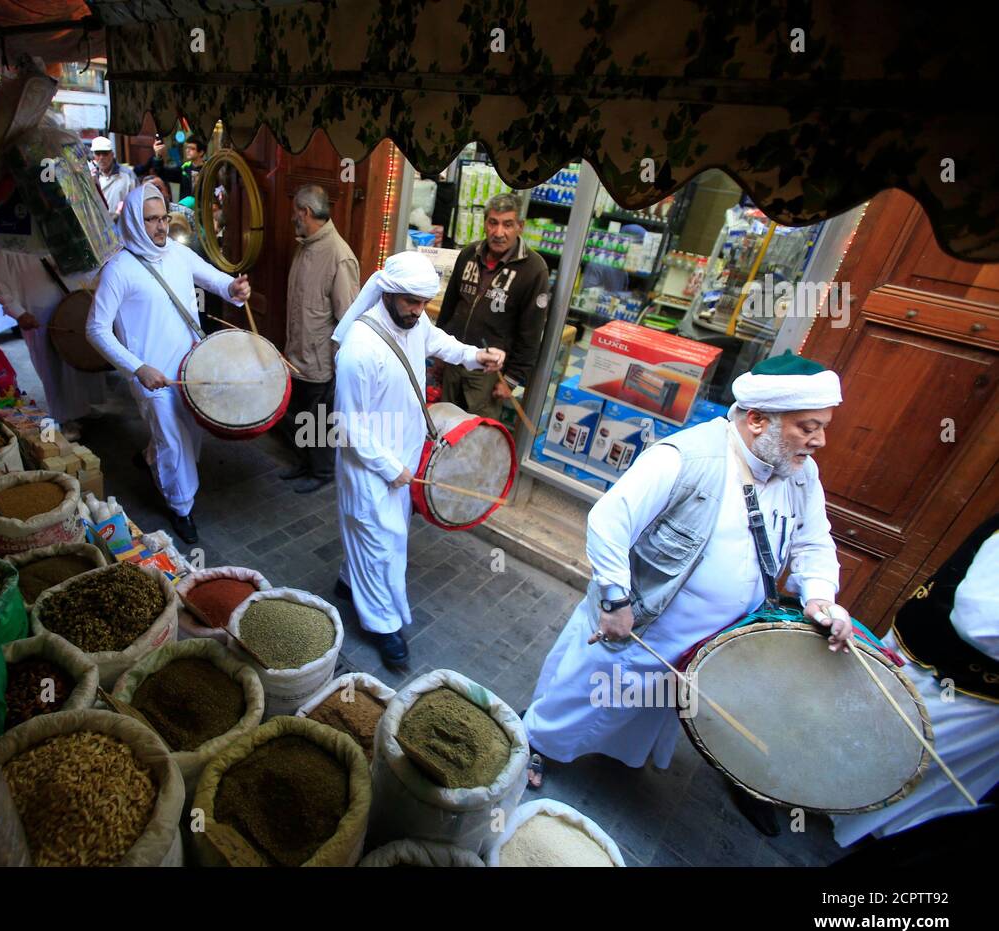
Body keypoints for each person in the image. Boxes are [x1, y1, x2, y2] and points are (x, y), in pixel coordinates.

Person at [522, 351, 852, 835]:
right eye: (808, 427)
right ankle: (535, 745)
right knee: (588, 695)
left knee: (647, 707)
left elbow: (812, 540)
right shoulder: (685, 457)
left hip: (707, 642)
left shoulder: (802, 473)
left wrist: (820, 595)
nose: (820, 440)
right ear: (759, 419)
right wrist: (615, 601)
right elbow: (609, 521)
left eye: (823, 426)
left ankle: (610, 751)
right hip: (645, 625)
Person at [330, 251, 505, 667]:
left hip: (402, 458)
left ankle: (346, 580)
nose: (417, 311)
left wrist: (474, 356)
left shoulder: (414, 320)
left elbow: (438, 342)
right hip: (371, 465)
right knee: (381, 543)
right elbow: (347, 425)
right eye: (410, 301)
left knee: (380, 535)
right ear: (389, 292)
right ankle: (383, 625)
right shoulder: (359, 349)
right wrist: (392, 469)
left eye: (423, 303)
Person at [86, 182, 250, 545]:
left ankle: (151, 457)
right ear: (131, 221)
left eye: (163, 218)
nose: (160, 226)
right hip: (152, 376)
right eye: (150, 220)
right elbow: (96, 329)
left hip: (191, 369)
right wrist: (136, 368)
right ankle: (181, 507)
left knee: (191, 433)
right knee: (175, 443)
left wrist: (234, 290)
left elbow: (216, 280)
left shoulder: (177, 253)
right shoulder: (119, 269)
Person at [831, 515, 999, 852]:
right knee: (868, 744)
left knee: (900, 771)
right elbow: (983, 622)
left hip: (971, 691)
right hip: (948, 675)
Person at [435, 193, 549, 420]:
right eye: (493, 222)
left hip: (488, 374)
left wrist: (512, 380)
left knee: (477, 436)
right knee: (443, 425)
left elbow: (531, 334)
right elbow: (449, 305)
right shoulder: (469, 253)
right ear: (485, 223)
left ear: (520, 227)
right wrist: (438, 349)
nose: (499, 233)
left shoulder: (534, 269)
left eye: (508, 224)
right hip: (454, 359)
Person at [277, 184, 360, 493]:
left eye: (296, 212)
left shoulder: (339, 256)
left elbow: (347, 318)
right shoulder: (306, 244)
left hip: (320, 361)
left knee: (319, 422)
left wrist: (339, 368)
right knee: (296, 415)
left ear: (306, 212)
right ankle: (304, 463)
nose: (293, 218)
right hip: (296, 355)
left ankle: (323, 471)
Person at [0, 244, 105, 439]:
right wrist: (18, 312)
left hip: (71, 300)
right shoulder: (5, 242)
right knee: (52, 367)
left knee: (80, 357)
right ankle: (64, 418)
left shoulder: (52, 225)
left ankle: (83, 408)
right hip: (38, 311)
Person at [91, 135, 136, 220]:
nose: (101, 157)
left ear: (112, 155)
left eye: (105, 153)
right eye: (98, 153)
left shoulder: (127, 175)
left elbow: (136, 202)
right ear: (94, 156)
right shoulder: (92, 177)